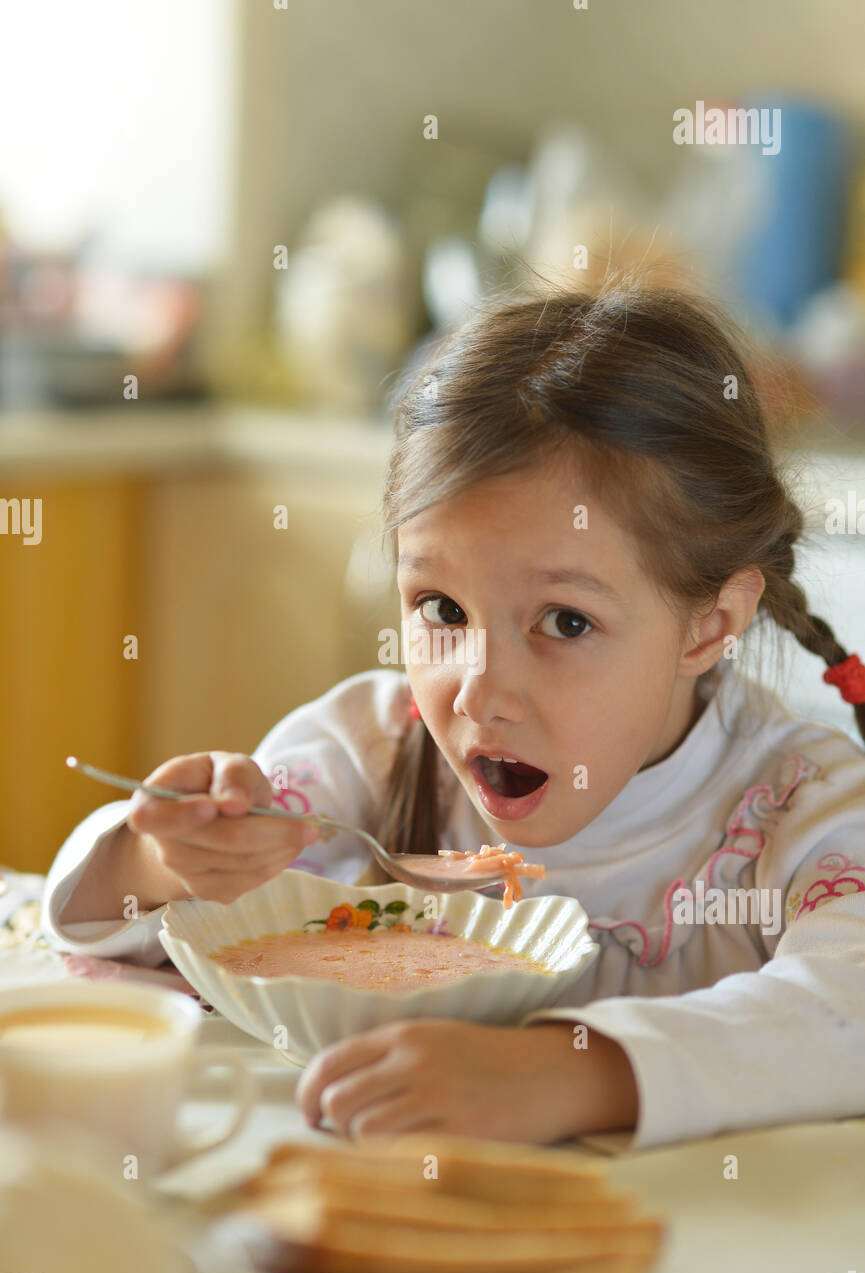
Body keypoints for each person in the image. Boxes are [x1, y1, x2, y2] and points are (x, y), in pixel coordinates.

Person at [40, 279, 865, 1151]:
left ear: (709, 626)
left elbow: (843, 1010)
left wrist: (570, 1073)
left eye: (565, 622)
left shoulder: (802, 811)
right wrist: (164, 858)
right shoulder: (369, 753)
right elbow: (122, 933)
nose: (476, 693)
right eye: (440, 610)